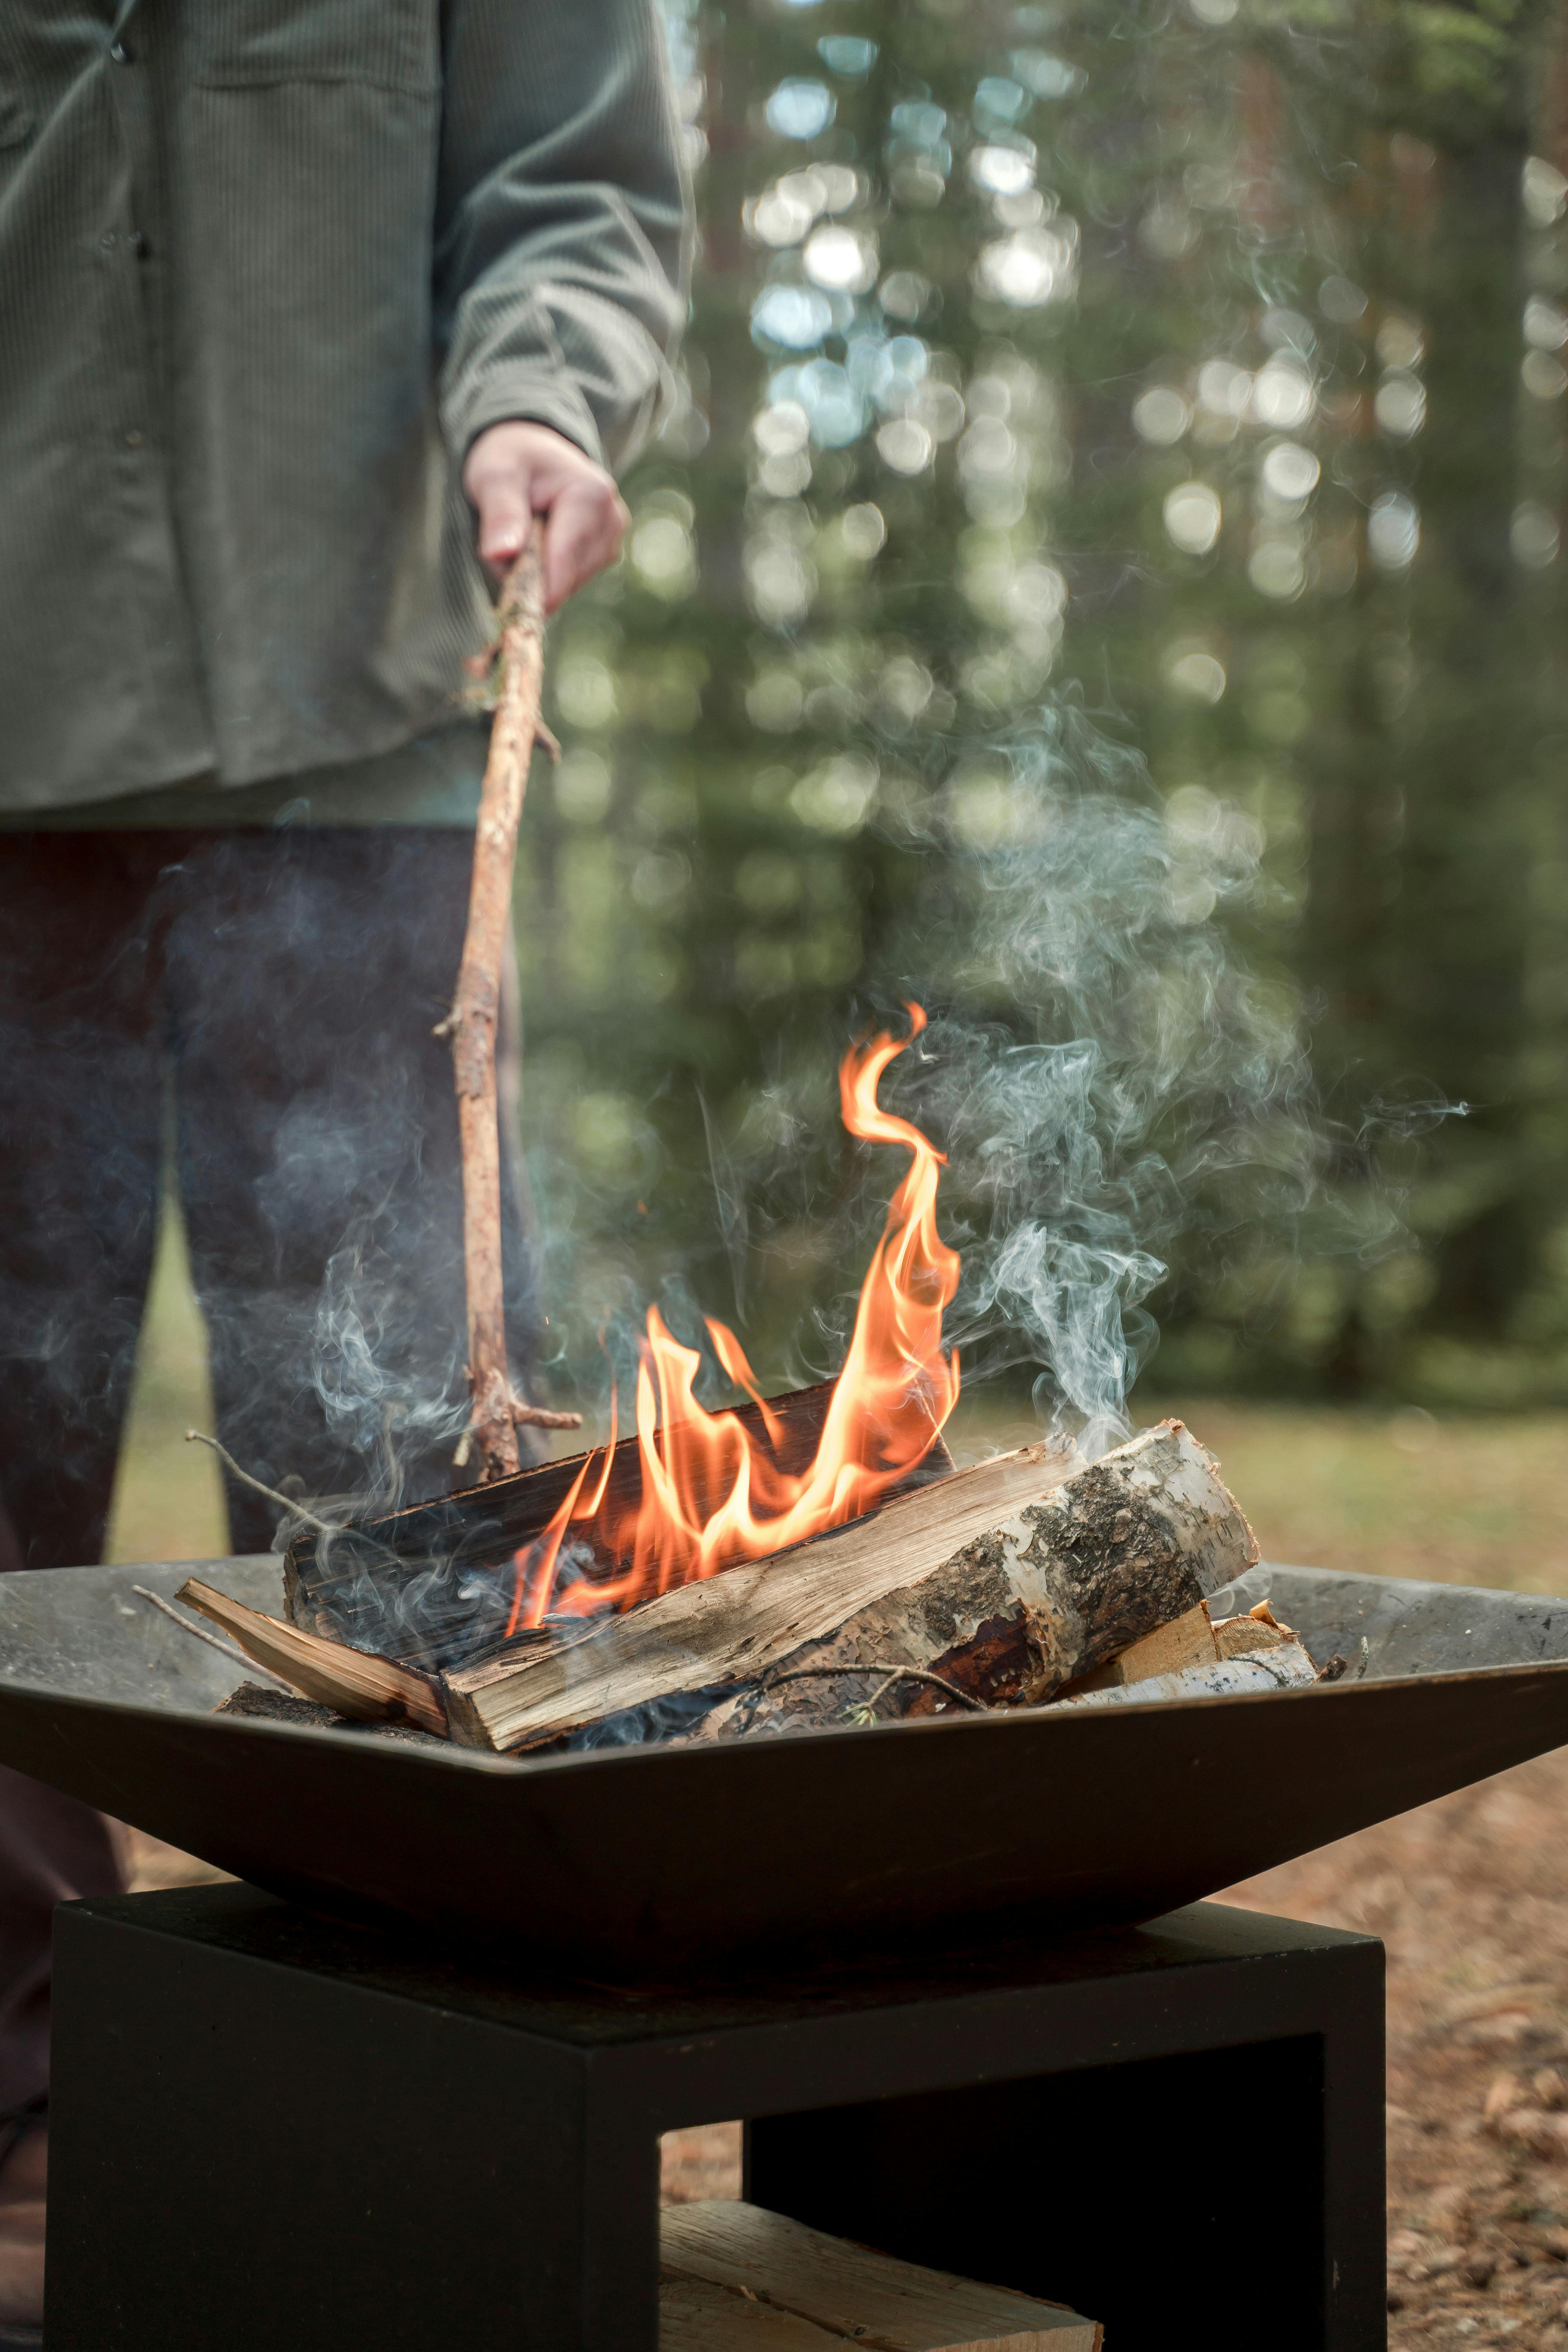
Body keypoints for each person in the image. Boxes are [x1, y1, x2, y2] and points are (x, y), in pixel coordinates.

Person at [0, 2, 689, 2332]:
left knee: (382, 1471)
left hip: (370, 738)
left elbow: (572, 179)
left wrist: (546, 390)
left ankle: (401, 2071)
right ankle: (25, 2096)